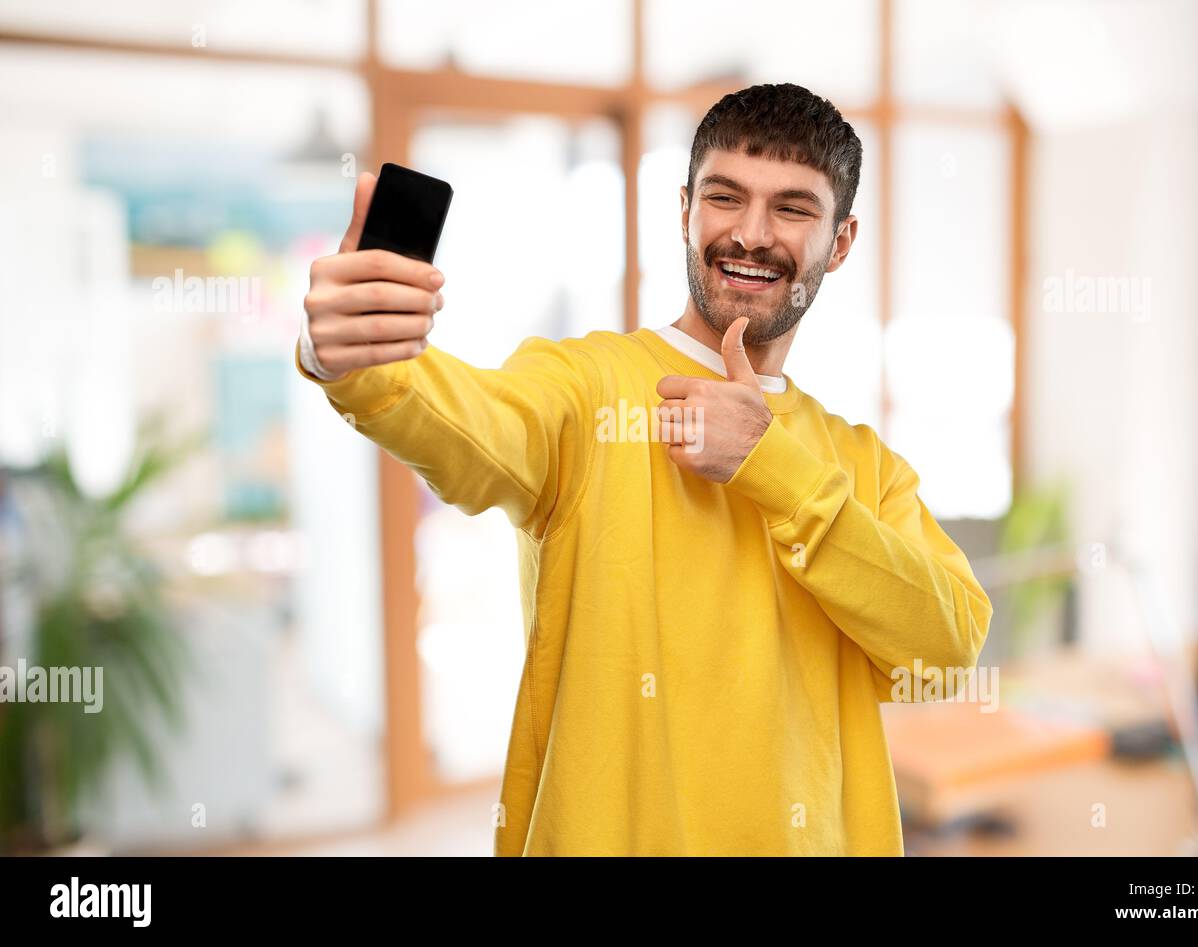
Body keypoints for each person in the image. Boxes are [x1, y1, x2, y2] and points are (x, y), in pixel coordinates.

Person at [296, 82, 992, 856]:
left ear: (841, 239)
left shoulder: (865, 466)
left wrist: (774, 466)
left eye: (794, 208)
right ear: (686, 210)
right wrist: (353, 360)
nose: (753, 235)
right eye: (726, 197)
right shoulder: (587, 384)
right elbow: (472, 428)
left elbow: (947, 648)